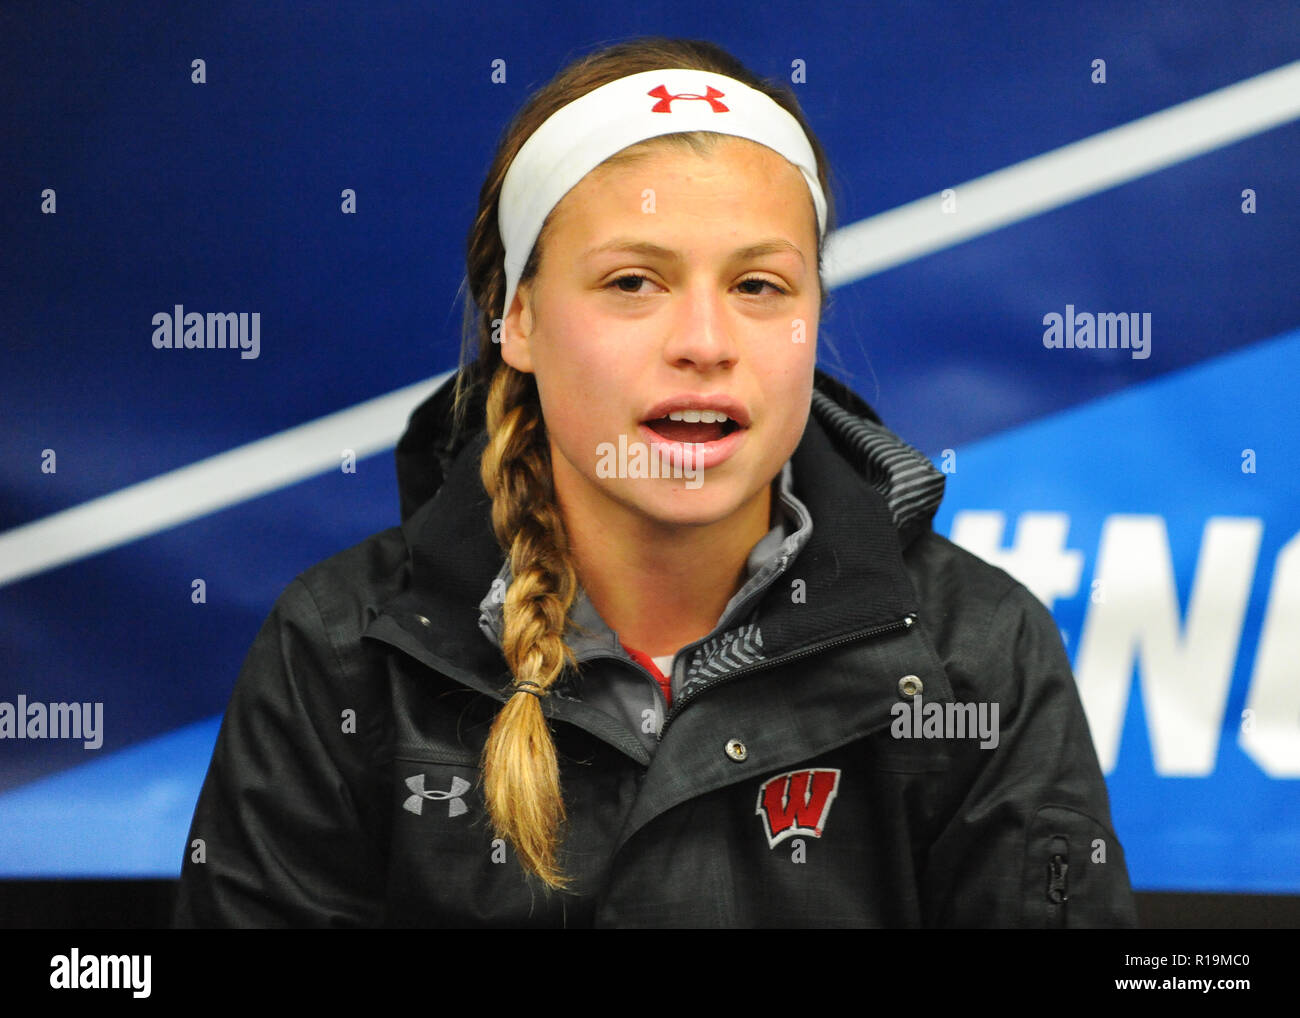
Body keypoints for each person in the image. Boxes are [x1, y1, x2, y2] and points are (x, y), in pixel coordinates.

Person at [173, 36, 1137, 928]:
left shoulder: (977, 653)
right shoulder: (341, 654)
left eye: (760, 286)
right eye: (634, 282)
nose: (706, 344)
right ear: (519, 320)